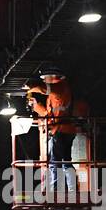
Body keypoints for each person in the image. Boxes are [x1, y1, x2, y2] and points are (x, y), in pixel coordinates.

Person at [26, 66, 76, 198]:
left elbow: (43, 89)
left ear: (54, 77)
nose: (45, 81)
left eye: (46, 78)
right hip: (65, 130)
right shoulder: (57, 93)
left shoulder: (59, 87)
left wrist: (30, 87)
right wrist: (37, 106)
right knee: (65, 162)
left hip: (60, 131)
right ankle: (71, 190)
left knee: (55, 163)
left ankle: (56, 193)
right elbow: (50, 115)